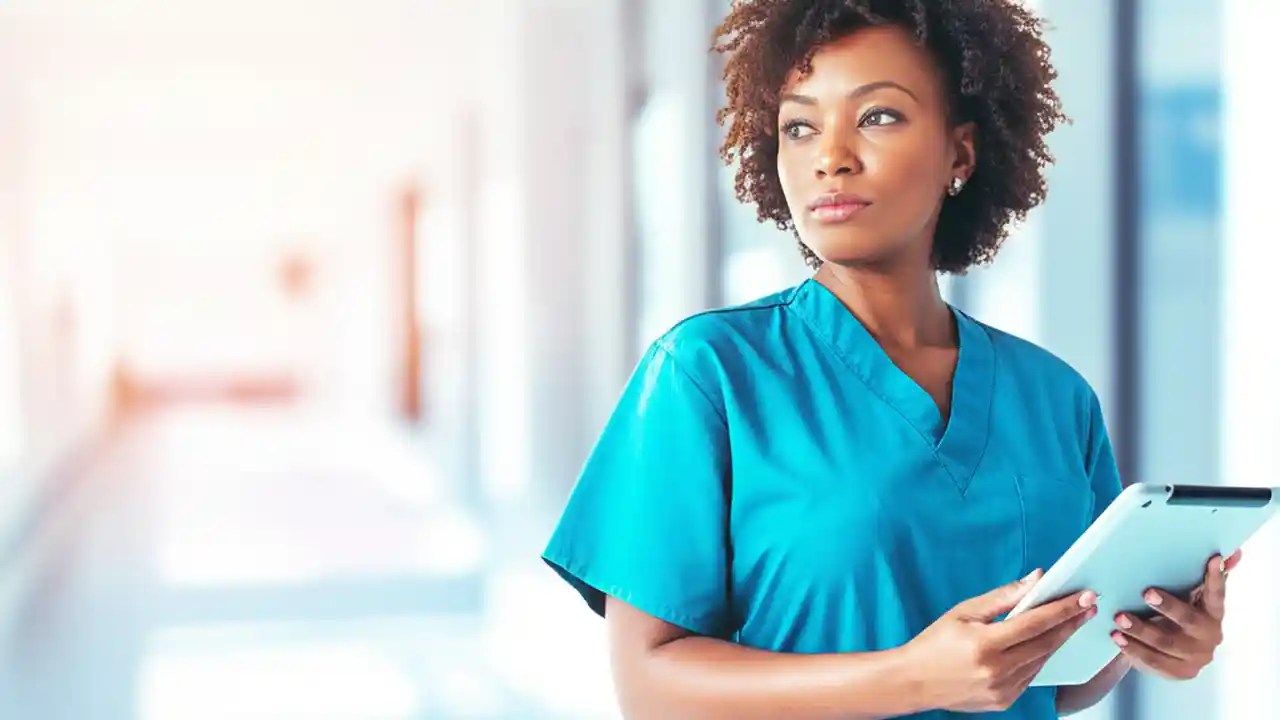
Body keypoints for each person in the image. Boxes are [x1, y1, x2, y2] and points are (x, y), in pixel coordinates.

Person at [542, 1, 1241, 717]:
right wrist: (911, 677)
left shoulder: (1055, 399)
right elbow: (650, 688)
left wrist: (1146, 639)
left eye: (877, 116)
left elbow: (1058, 680)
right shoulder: (709, 373)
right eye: (800, 126)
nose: (830, 156)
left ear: (960, 153)